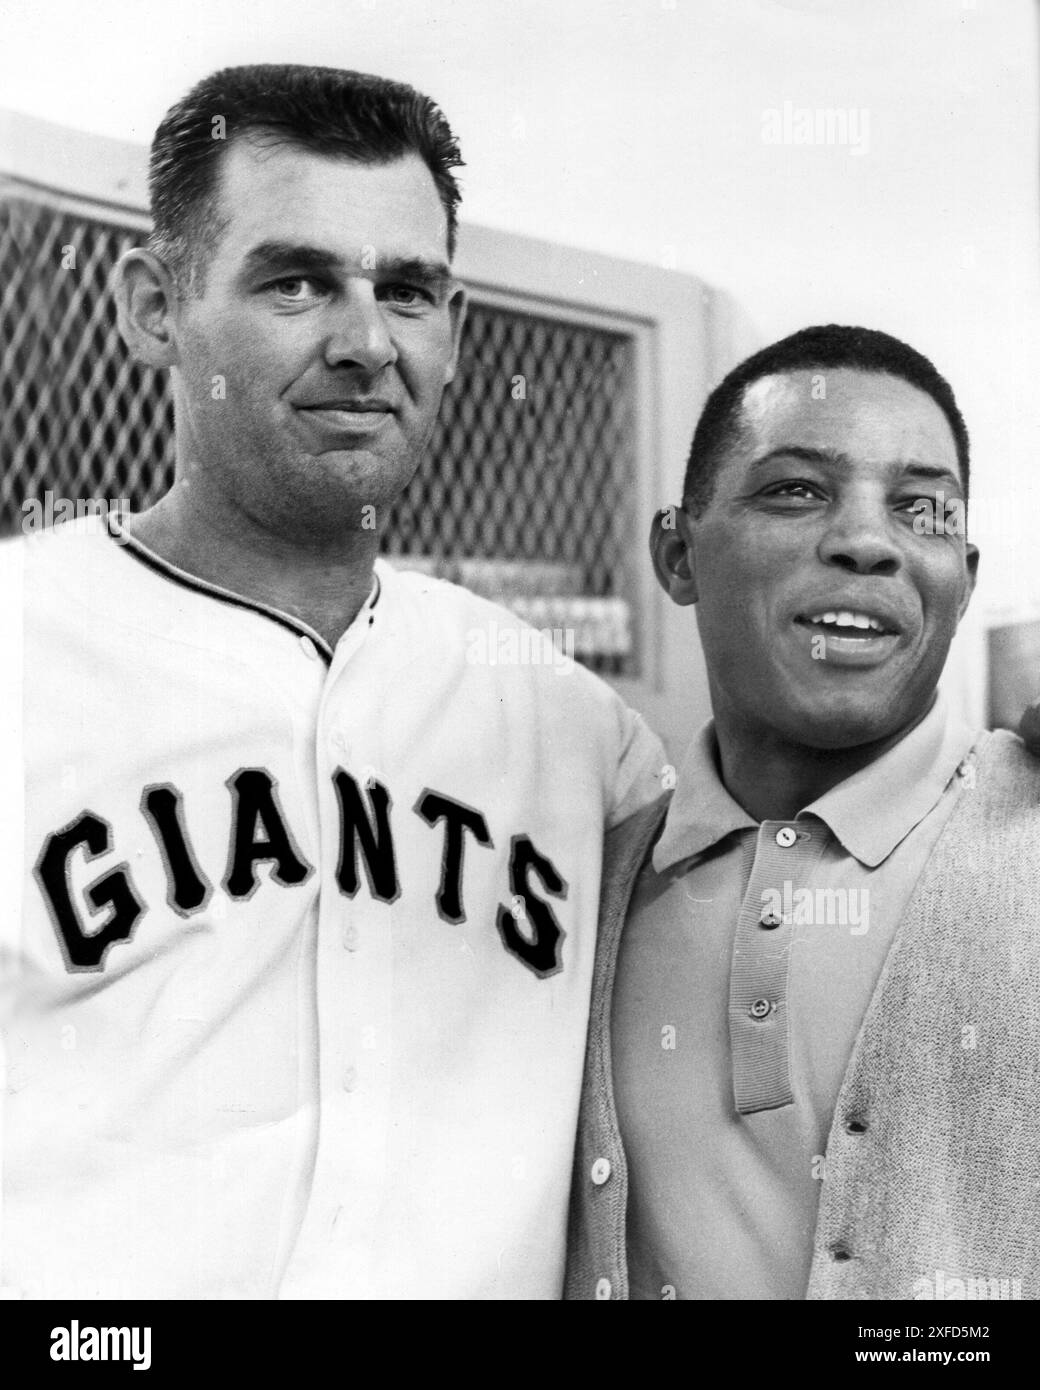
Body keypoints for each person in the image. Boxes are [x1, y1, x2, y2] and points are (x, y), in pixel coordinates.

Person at [0, 63, 664, 1300]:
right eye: (296, 280)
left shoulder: (571, 726)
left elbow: (797, 864)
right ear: (152, 307)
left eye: (405, 290)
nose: (364, 343)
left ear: (452, 328)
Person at [566, 324, 1040, 1302]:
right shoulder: (586, 883)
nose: (867, 541)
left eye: (921, 509)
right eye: (795, 489)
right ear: (677, 553)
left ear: (964, 580)